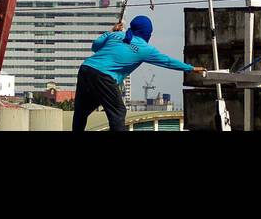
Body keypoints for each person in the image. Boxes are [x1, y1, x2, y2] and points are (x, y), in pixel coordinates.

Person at [71, 15, 204, 132]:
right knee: (119, 112)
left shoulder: (116, 35)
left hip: (86, 69)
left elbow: (95, 46)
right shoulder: (144, 49)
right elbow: (168, 62)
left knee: (81, 111)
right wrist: (190, 68)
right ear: (147, 33)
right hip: (104, 77)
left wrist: (112, 30)